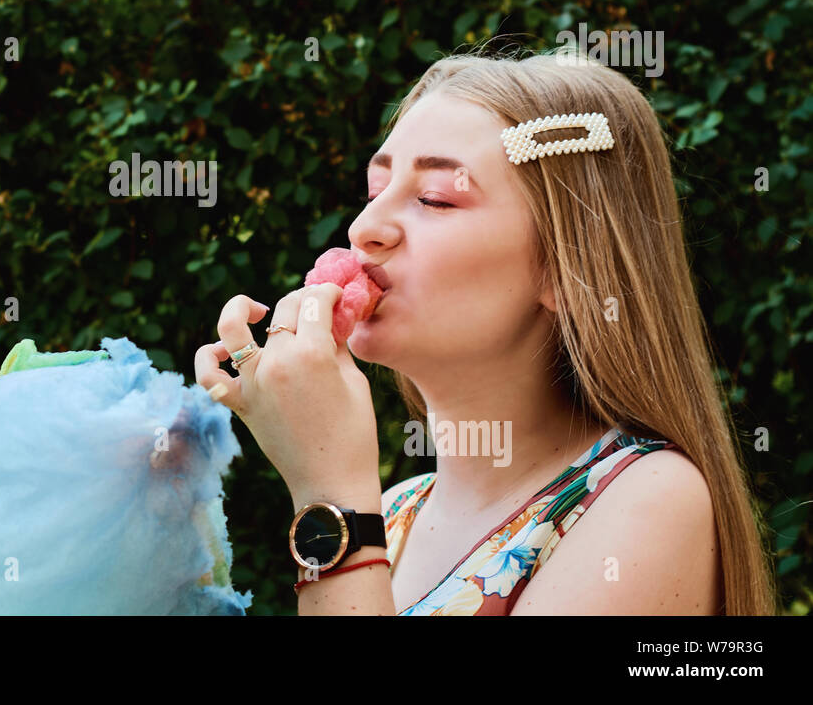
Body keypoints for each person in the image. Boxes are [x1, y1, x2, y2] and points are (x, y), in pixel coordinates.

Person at [194, 48, 776, 615]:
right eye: (374, 193)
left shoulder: (650, 498)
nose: (363, 227)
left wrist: (330, 492)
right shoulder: (393, 514)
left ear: (566, 268)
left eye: (435, 199)